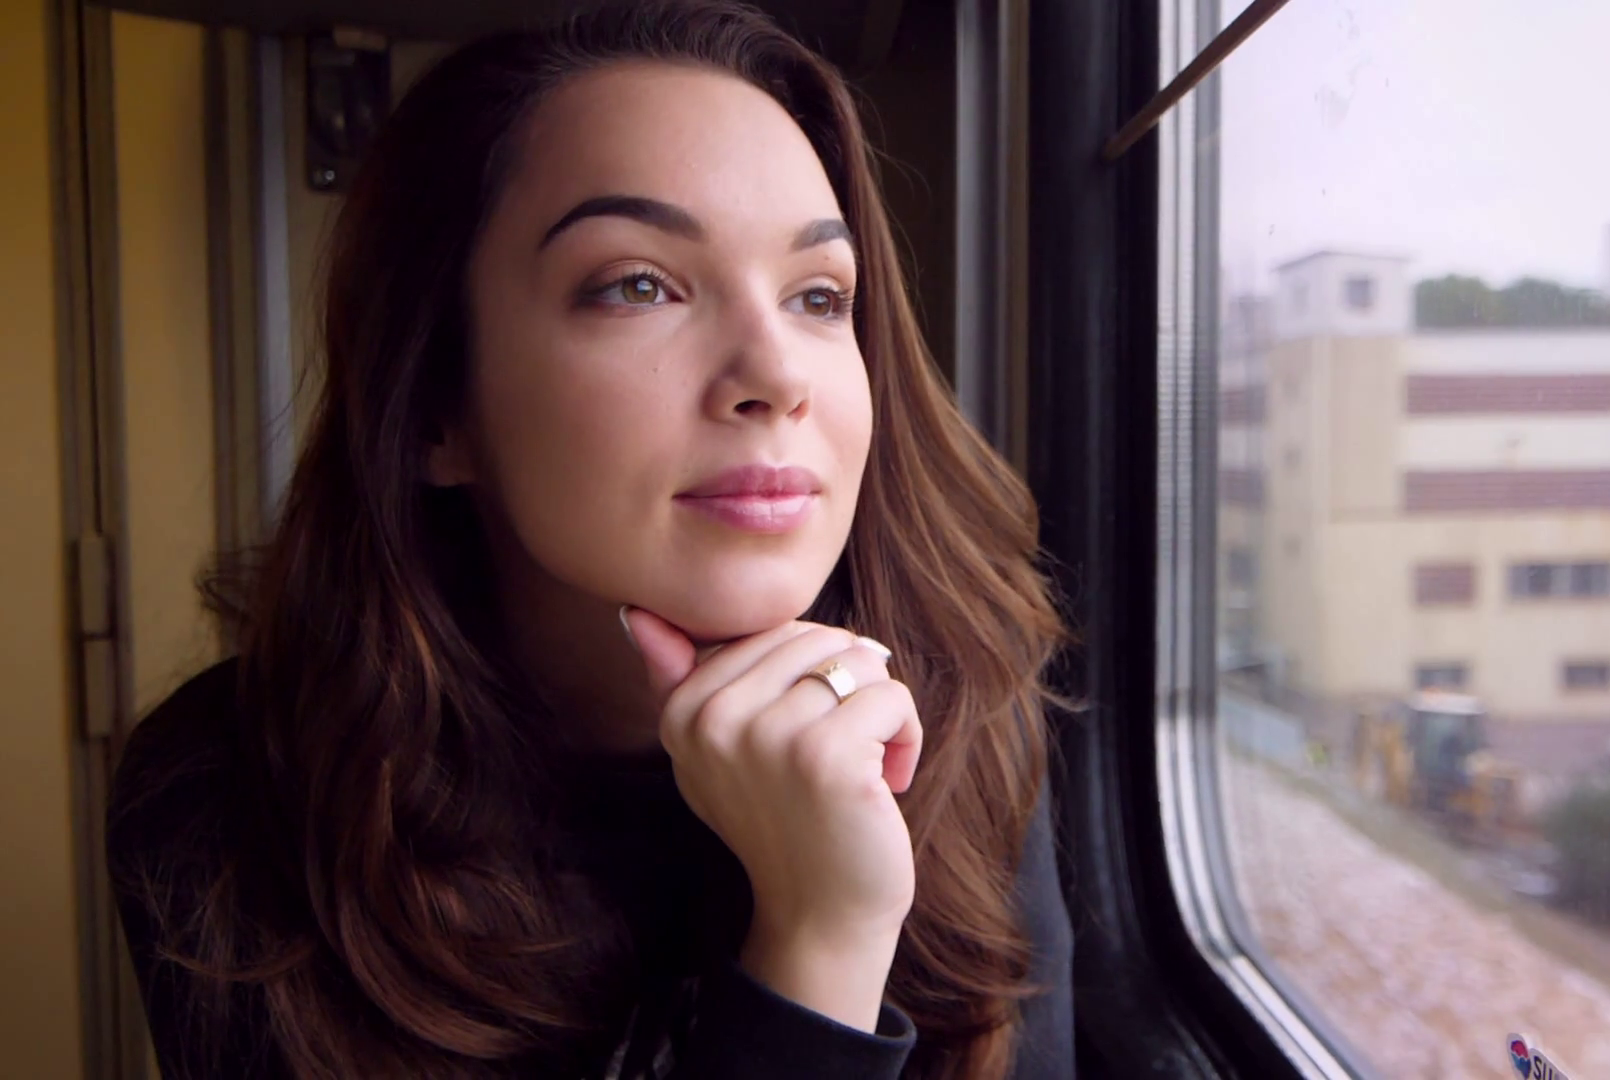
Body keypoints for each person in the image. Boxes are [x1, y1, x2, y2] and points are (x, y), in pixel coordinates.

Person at [105, 2, 1073, 1077]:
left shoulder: (959, 709)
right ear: (437, 408)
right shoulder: (237, 791)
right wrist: (821, 945)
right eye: (638, 286)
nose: (778, 377)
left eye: (817, 296)